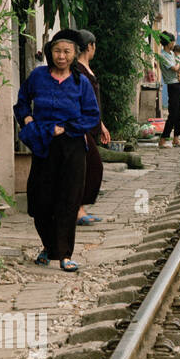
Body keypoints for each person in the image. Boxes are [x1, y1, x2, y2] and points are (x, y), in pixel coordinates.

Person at [15, 30, 100, 273]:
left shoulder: (80, 82)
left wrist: (67, 128)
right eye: (56, 51)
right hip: (43, 144)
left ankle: (63, 254)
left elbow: (92, 115)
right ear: (50, 53)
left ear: (74, 55)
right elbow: (21, 102)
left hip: (72, 145)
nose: (61, 56)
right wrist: (29, 120)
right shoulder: (38, 76)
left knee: (68, 199)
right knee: (40, 201)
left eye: (66, 52)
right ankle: (49, 245)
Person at [71, 28, 110, 227]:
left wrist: (101, 124)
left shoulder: (85, 68)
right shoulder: (78, 70)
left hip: (91, 125)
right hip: (81, 127)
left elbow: (92, 101)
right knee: (92, 166)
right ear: (90, 46)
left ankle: (80, 209)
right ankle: (77, 210)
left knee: (87, 167)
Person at [157, 32, 180, 146]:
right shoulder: (162, 56)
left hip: (178, 84)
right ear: (168, 43)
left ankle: (176, 138)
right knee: (173, 113)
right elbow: (174, 68)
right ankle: (163, 138)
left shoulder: (172, 54)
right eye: (172, 41)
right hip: (172, 86)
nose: (173, 44)